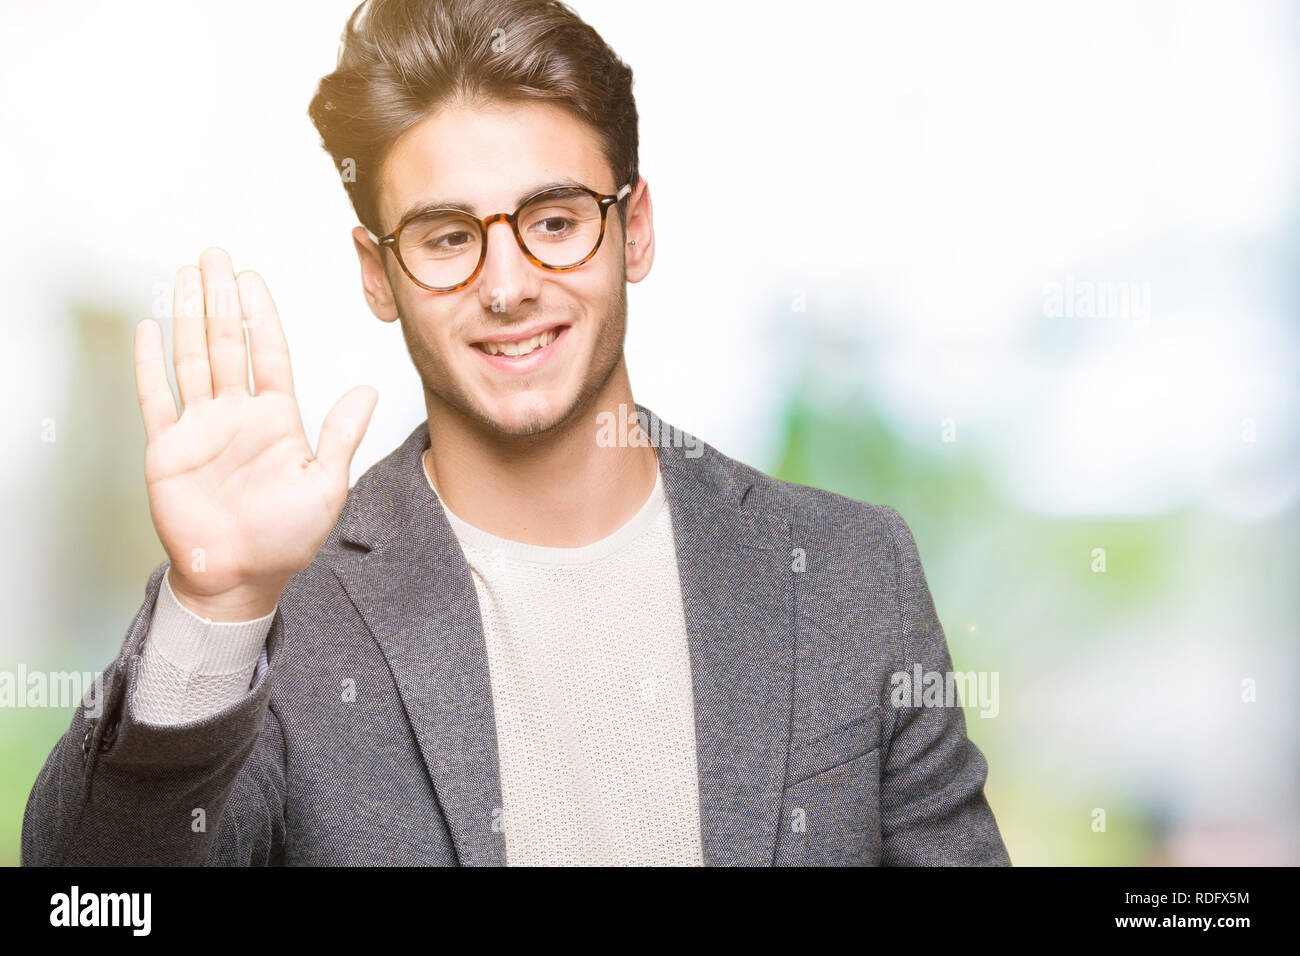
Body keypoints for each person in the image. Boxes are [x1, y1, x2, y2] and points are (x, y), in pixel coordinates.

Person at [22, 0, 1010, 866]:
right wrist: (216, 602)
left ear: (637, 227)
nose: (505, 286)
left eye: (553, 218)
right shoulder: (282, 616)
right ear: (377, 273)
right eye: (448, 236)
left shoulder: (847, 575)